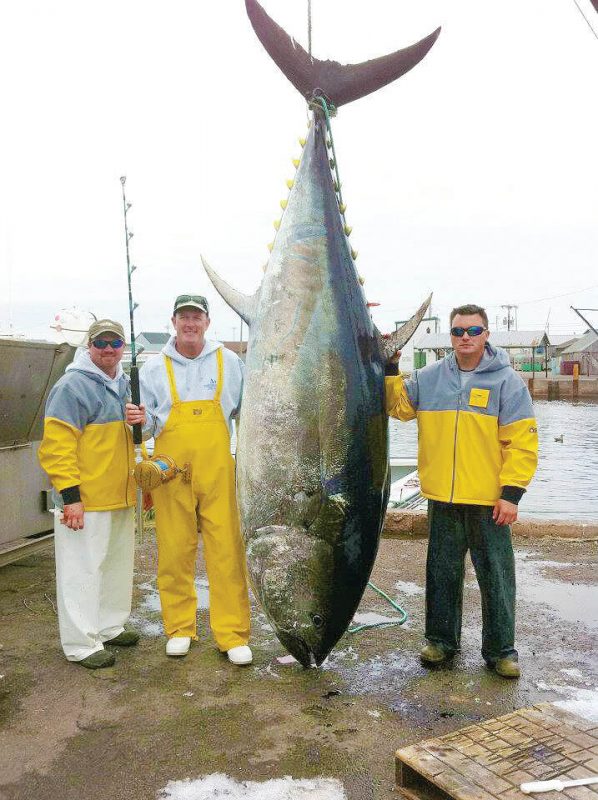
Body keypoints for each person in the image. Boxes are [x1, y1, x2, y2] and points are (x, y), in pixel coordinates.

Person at [385, 304, 538, 678]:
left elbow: (522, 443)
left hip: (489, 502)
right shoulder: (430, 376)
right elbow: (398, 407)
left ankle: (501, 651)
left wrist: (511, 494)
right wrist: (390, 367)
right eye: (458, 332)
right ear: (450, 337)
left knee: (497, 578)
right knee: (441, 574)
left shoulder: (508, 382)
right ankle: (440, 642)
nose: (465, 337)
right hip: (442, 498)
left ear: (487, 334)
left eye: (472, 331)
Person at [125, 294, 252, 664]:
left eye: (196, 317)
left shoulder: (231, 362)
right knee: (174, 551)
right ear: (174, 322)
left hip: (218, 471)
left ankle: (232, 634)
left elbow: (248, 415)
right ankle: (179, 628)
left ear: (207, 323)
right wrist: (137, 421)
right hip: (169, 474)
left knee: (227, 551)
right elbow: (147, 429)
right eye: (184, 317)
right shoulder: (152, 368)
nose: (190, 324)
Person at [38, 319, 139, 669]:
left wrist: (142, 421)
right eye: (101, 342)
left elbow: (139, 433)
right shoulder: (72, 386)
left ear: (123, 347)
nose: (109, 349)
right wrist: (70, 498)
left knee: (114, 567)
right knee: (80, 572)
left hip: (119, 496)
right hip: (85, 501)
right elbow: (56, 448)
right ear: (89, 347)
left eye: (115, 342)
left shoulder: (124, 384)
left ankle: (109, 626)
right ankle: (81, 643)